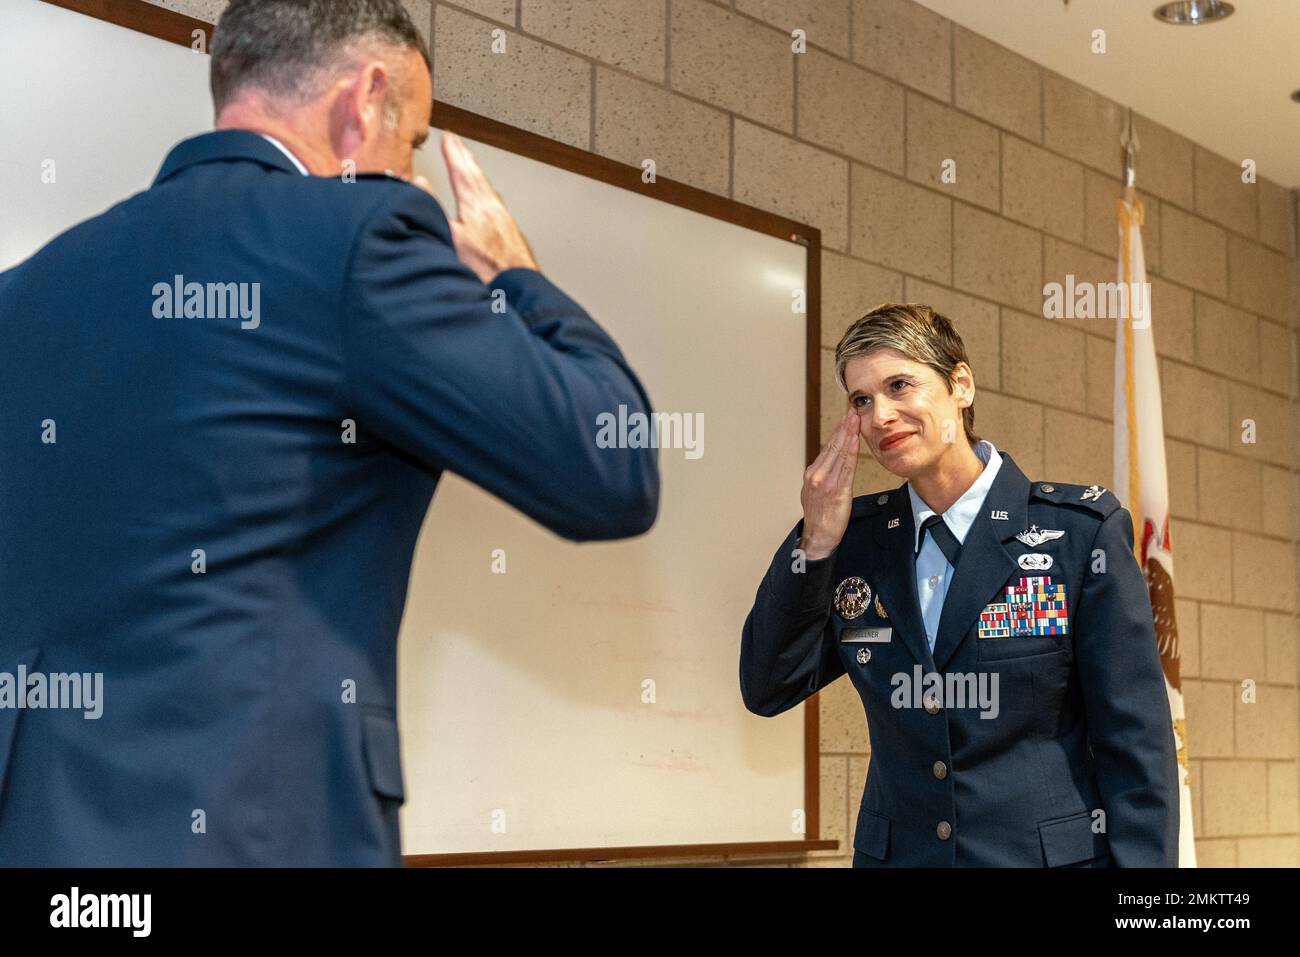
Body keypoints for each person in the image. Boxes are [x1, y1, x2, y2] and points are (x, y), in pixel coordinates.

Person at [0, 0, 658, 865]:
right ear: (364, 98)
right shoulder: (358, 238)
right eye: (413, 139)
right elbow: (610, 467)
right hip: (255, 829)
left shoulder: (24, 293)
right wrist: (516, 280)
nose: (409, 170)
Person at [740, 303, 1177, 867]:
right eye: (861, 400)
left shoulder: (1077, 535)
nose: (882, 416)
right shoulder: (858, 544)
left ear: (960, 386)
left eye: (900, 385)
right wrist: (816, 543)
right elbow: (768, 685)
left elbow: (1136, 745)